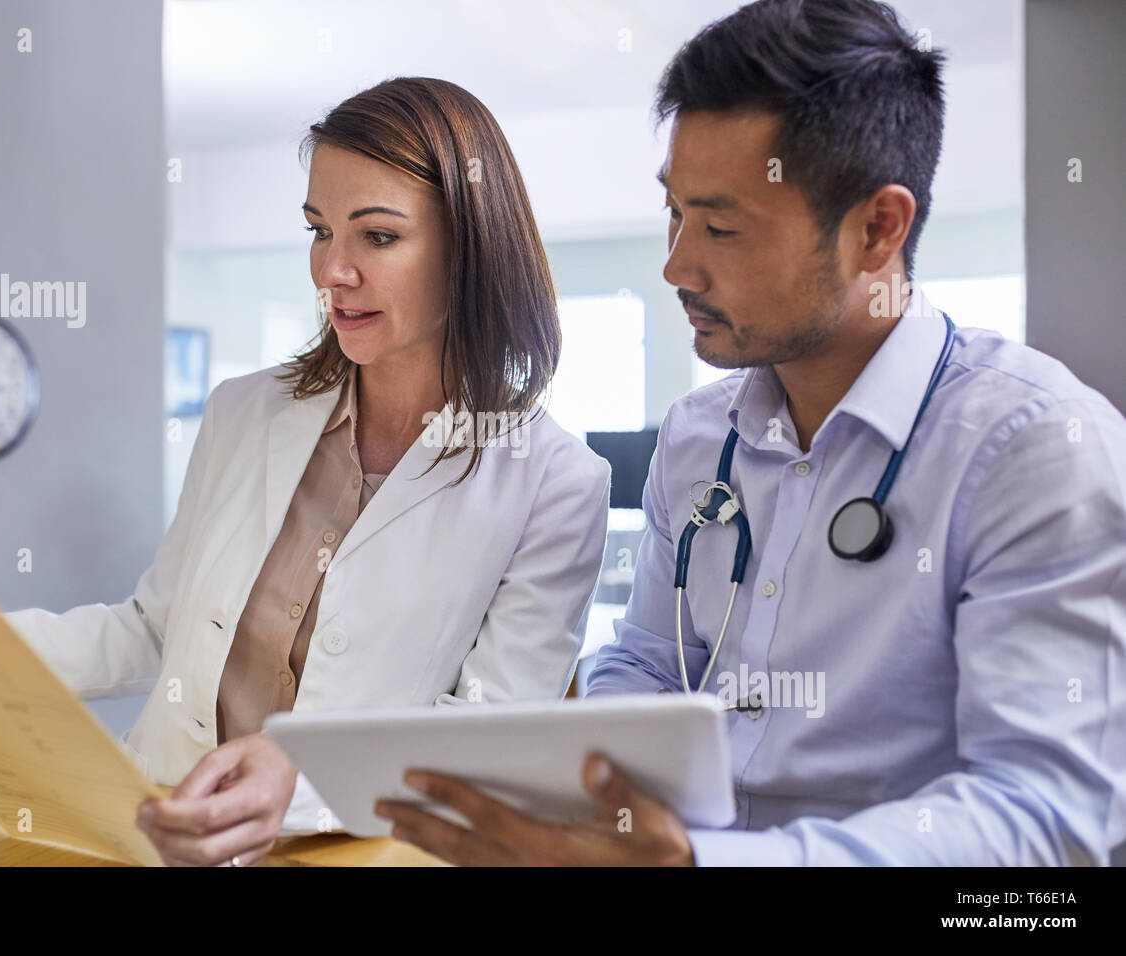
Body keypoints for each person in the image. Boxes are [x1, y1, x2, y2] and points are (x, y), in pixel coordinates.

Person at [376, 0, 1126, 865]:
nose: (676, 265)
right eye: (676, 213)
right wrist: (593, 803)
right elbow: (647, 666)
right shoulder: (700, 437)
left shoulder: (1038, 451)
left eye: (723, 228)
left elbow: (1045, 818)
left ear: (878, 228)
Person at [5, 77, 611, 866]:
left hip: (349, 851)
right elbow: (152, 629)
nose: (332, 270)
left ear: (471, 247)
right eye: (319, 230)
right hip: (156, 830)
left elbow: (487, 741)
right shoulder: (242, 413)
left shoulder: (555, 483)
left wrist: (301, 780)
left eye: (378, 237)